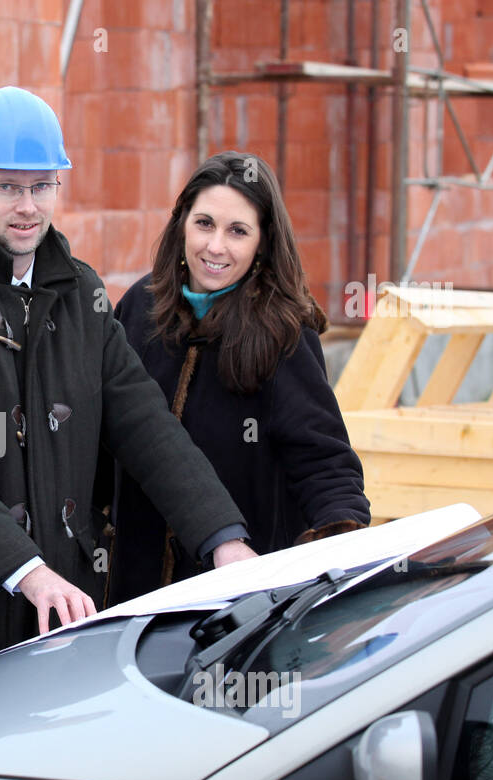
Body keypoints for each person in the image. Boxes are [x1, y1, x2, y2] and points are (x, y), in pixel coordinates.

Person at [0, 87, 257, 692]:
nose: (27, 206)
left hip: (64, 613)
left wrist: (223, 538)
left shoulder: (78, 291)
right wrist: (26, 570)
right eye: (7, 186)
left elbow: (147, 425)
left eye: (42, 185)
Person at [106, 151, 370, 604]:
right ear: (181, 224)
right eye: (204, 223)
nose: (215, 246)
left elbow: (323, 461)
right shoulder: (140, 308)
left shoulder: (283, 332)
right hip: (137, 591)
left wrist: (336, 552)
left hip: (241, 597)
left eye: (238, 231)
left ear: (263, 243)